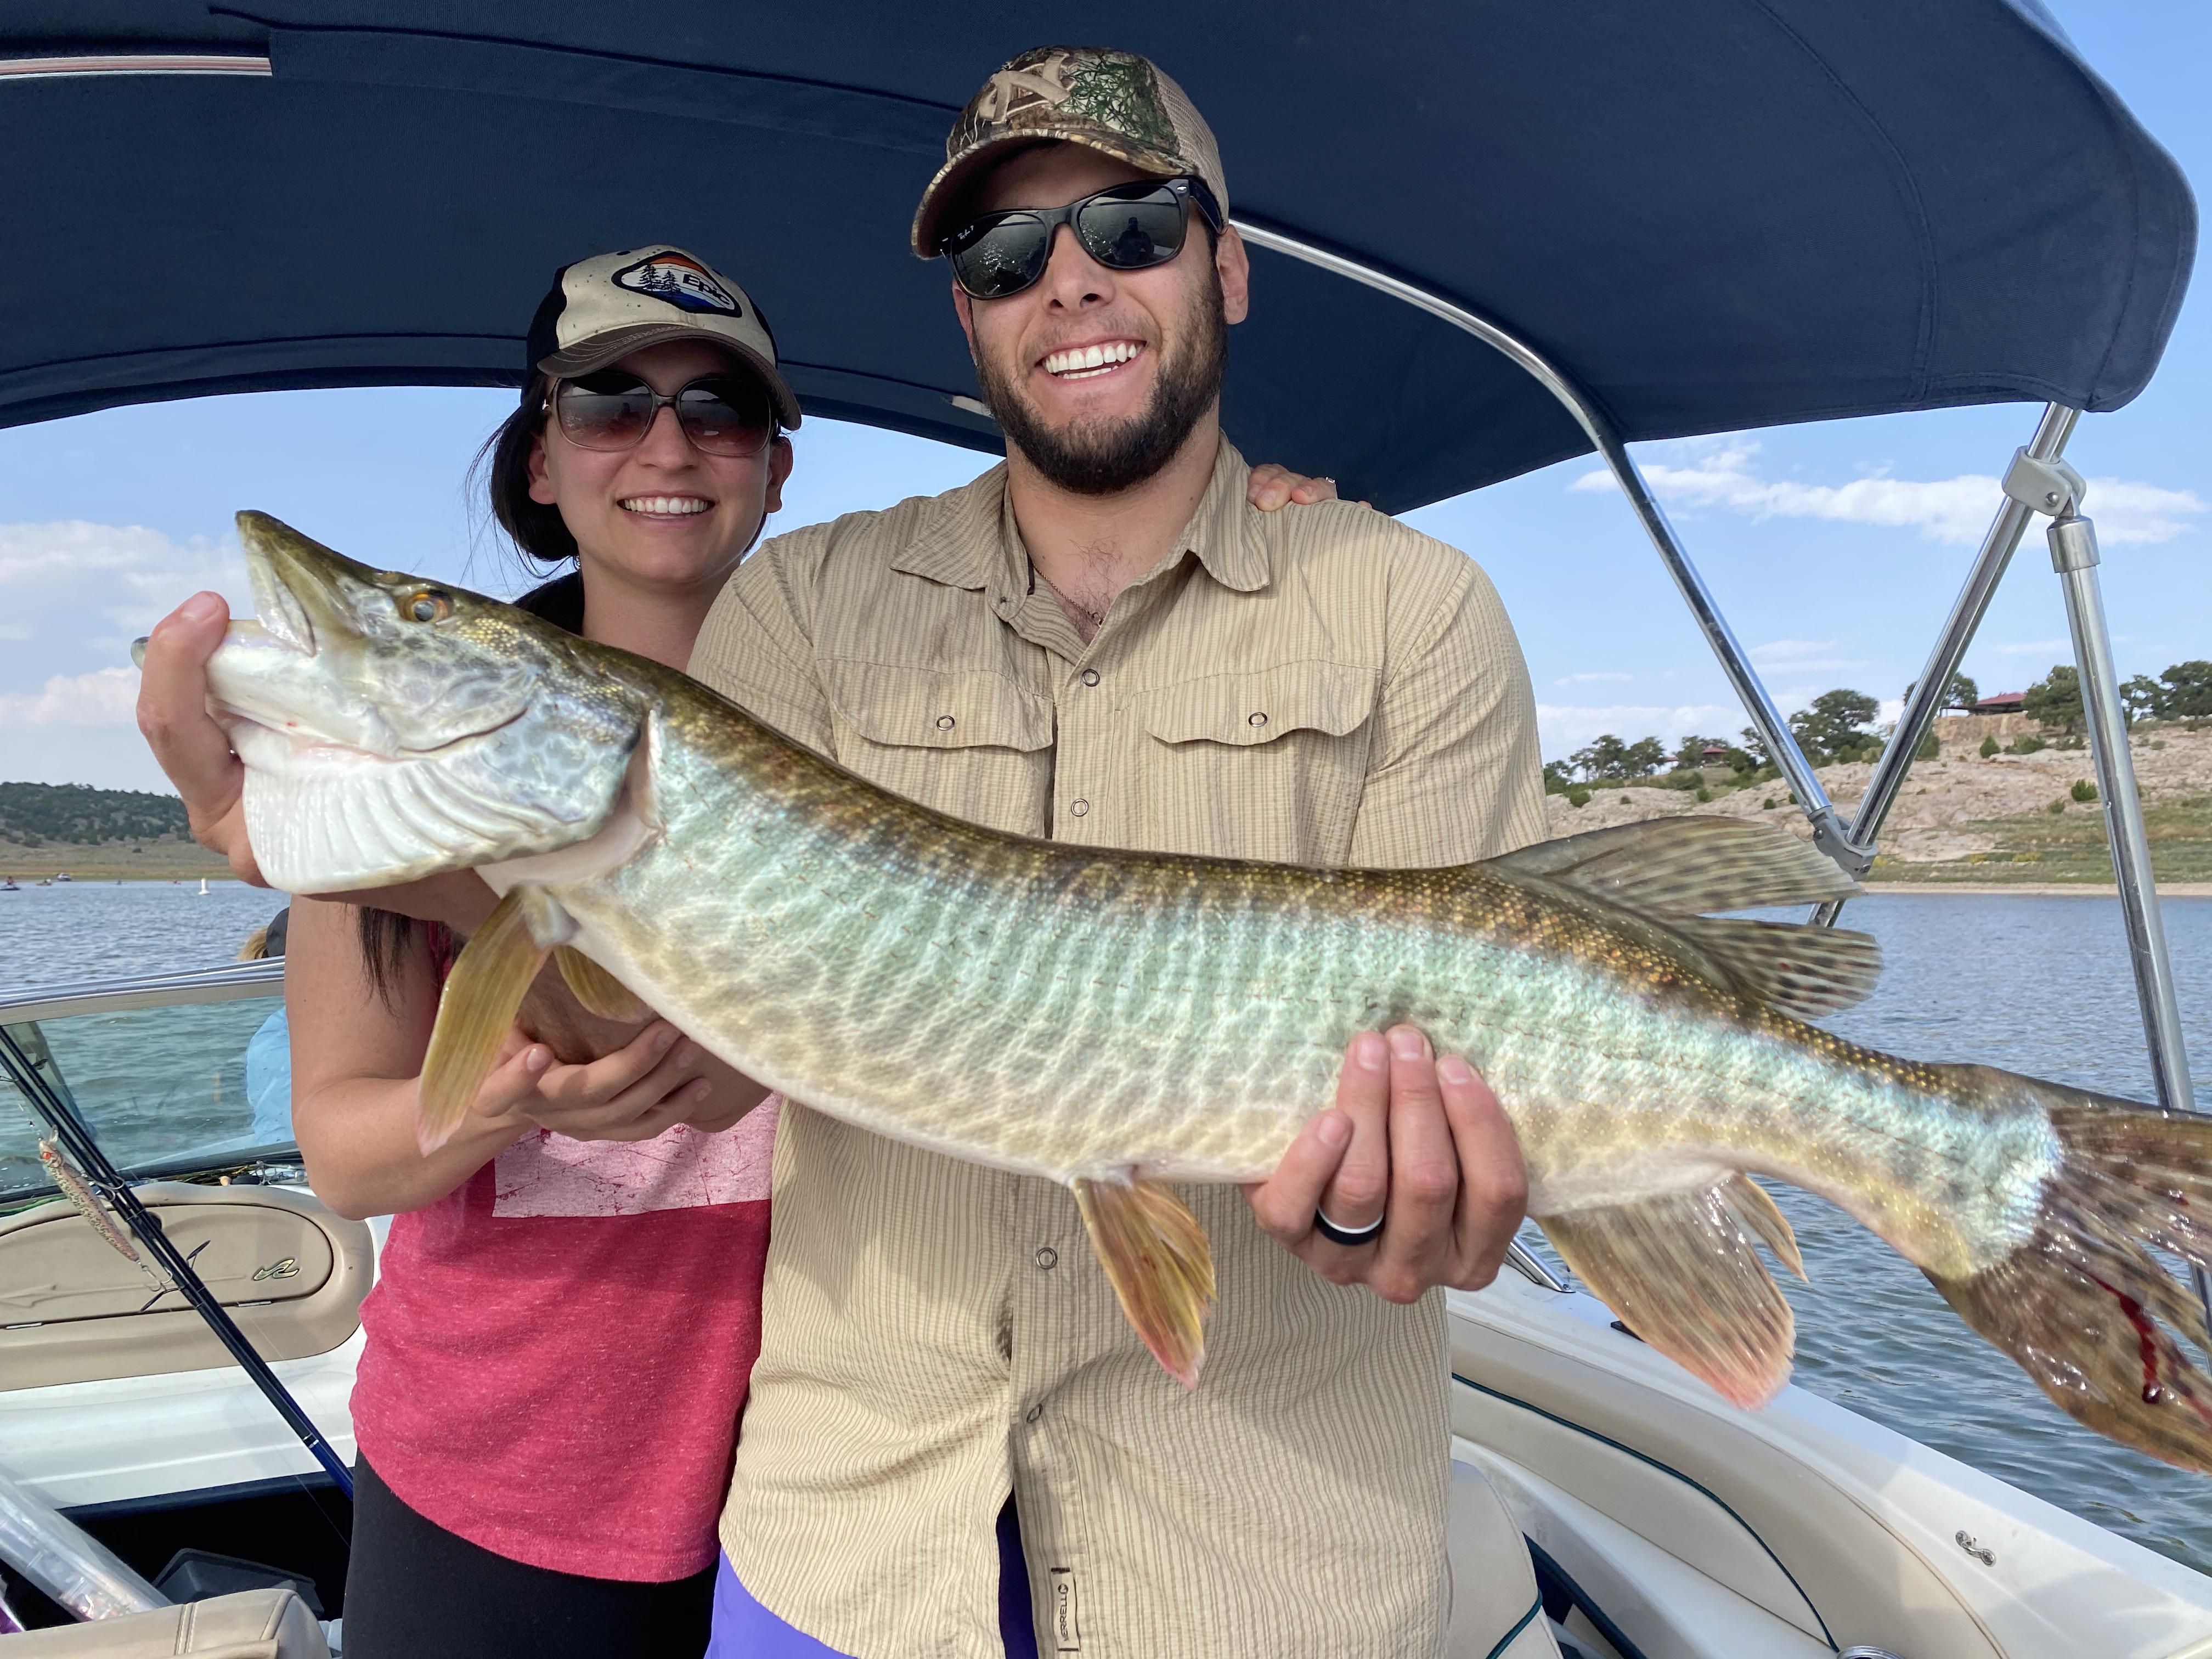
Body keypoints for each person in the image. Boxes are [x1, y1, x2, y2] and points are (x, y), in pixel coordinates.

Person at [133, 240, 1339, 1657]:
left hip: (866, 1468)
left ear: (776, 470)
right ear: (540, 458)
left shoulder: (904, 727)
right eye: (608, 405)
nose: (668, 445)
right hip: (523, 1458)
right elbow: (346, 1151)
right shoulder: (417, 788)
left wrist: (1249, 532)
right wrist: (499, 1091)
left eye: (721, 412)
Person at [682, 48, 1545, 1658]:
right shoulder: (800, 606)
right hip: (855, 1536)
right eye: (1005, 256)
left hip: (1263, 1564)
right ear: (968, 314)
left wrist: (1397, 1199)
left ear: (1225, 267)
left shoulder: (1412, 608)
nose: (1069, 280)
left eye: (1132, 228)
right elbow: (699, 1049)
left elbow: (1459, 1054)